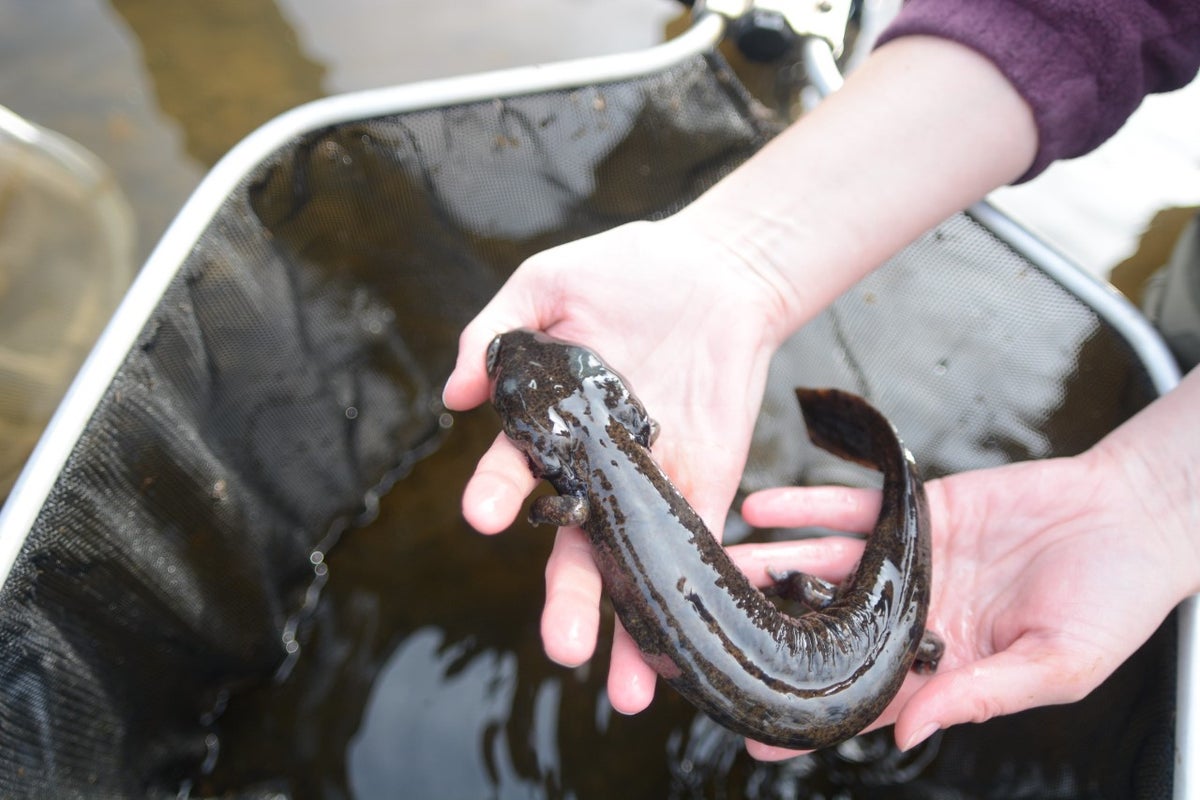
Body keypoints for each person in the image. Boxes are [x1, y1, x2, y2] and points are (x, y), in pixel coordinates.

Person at [442, 0, 1200, 760]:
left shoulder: (588, 480)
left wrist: (1165, 502)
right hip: (858, 640)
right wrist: (1156, 491)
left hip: (887, 646)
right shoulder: (582, 483)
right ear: (627, 410)